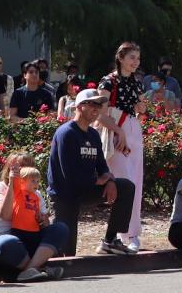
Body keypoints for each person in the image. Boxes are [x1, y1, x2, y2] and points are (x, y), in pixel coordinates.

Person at [46, 88, 137, 257]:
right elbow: (69, 175)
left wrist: (109, 181)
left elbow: (102, 166)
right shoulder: (66, 133)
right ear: (79, 107)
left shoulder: (93, 134)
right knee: (66, 256)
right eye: (92, 104)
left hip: (87, 188)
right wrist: (98, 181)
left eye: (99, 105)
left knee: (125, 187)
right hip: (65, 194)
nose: (97, 108)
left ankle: (110, 241)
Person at [0, 153, 68, 282]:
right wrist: (12, 183)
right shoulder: (0, 187)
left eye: (28, 166)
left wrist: (42, 220)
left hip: (28, 240)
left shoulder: (36, 193)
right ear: (9, 168)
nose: (23, 170)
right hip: (1, 241)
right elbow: (5, 214)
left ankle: (29, 270)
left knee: (61, 228)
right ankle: (40, 269)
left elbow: (45, 225)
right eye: (19, 166)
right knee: (8, 242)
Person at [96, 42, 146, 251]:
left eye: (137, 58)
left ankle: (132, 234)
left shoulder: (137, 82)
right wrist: (119, 131)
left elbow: (141, 109)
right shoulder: (108, 81)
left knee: (135, 182)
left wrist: (141, 106)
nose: (135, 61)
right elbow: (100, 113)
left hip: (133, 129)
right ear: (121, 58)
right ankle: (117, 234)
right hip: (116, 131)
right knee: (123, 184)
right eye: (132, 57)